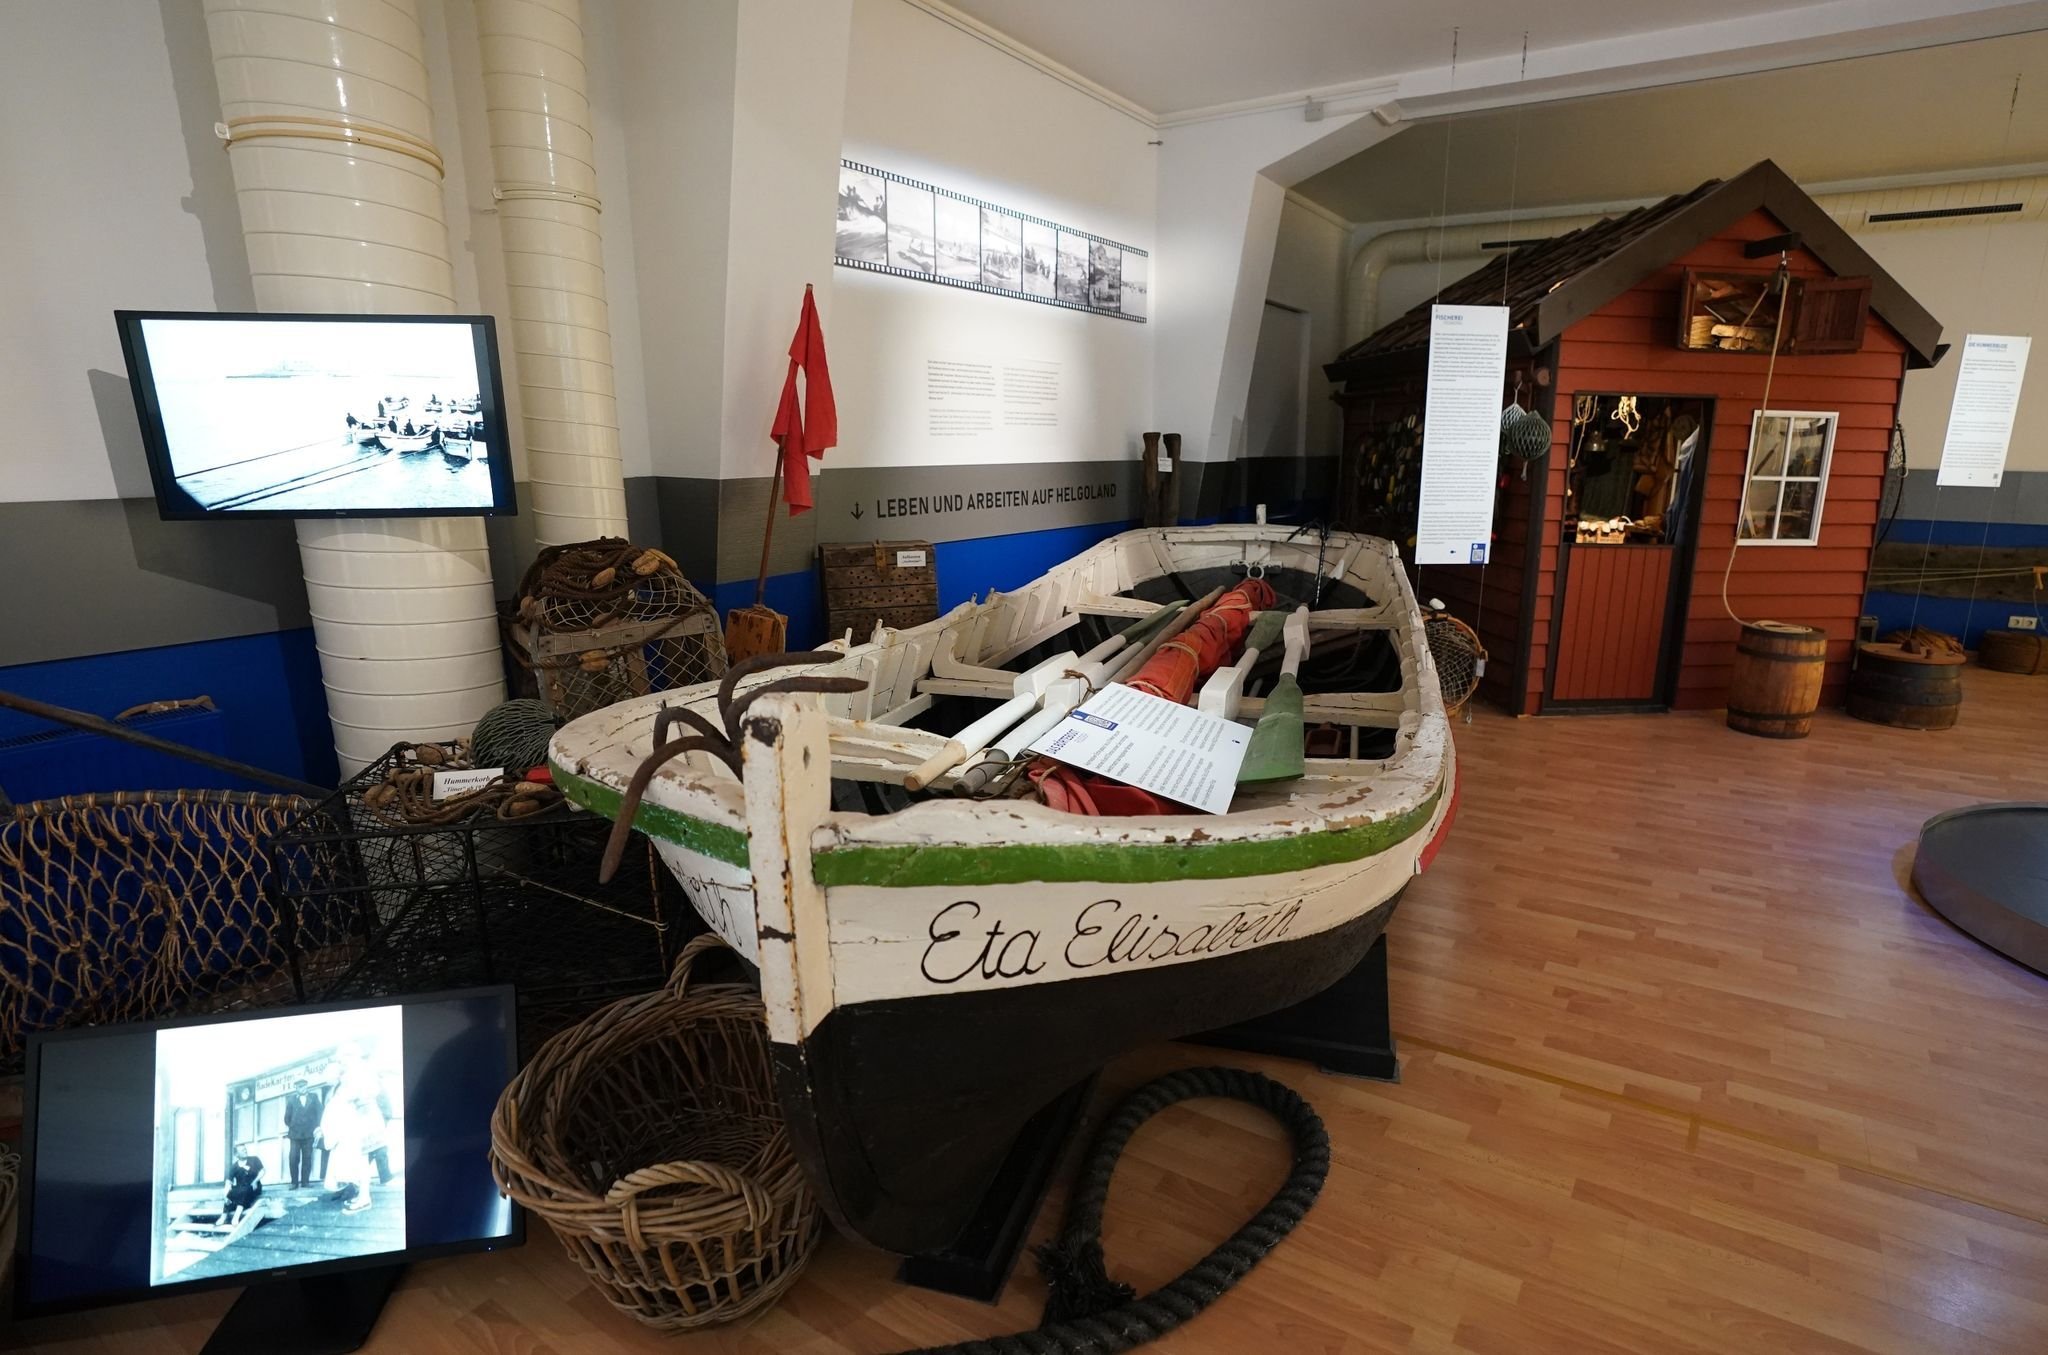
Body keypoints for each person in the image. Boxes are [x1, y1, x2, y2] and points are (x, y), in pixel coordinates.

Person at [283, 1077, 324, 1190]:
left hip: (309, 1134)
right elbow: (286, 1118)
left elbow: (320, 1113)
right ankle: (294, 1183)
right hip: (295, 1135)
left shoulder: (314, 1097)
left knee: (307, 1157)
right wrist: (293, 1125)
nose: (303, 1088)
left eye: (304, 1086)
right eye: (300, 1086)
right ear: (296, 1088)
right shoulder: (291, 1100)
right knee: (293, 1158)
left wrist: (316, 1127)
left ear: (307, 1086)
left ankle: (305, 1182)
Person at [222, 1144, 264, 1225]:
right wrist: (225, 1196)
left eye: (245, 1149)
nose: (245, 1151)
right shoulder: (234, 1167)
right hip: (240, 1188)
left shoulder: (254, 1159)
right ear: (237, 1154)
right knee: (230, 1192)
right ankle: (223, 1216)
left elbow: (263, 1171)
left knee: (245, 1190)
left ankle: (236, 1216)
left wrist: (255, 1181)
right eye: (242, 1150)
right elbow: (228, 1182)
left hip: (254, 1186)